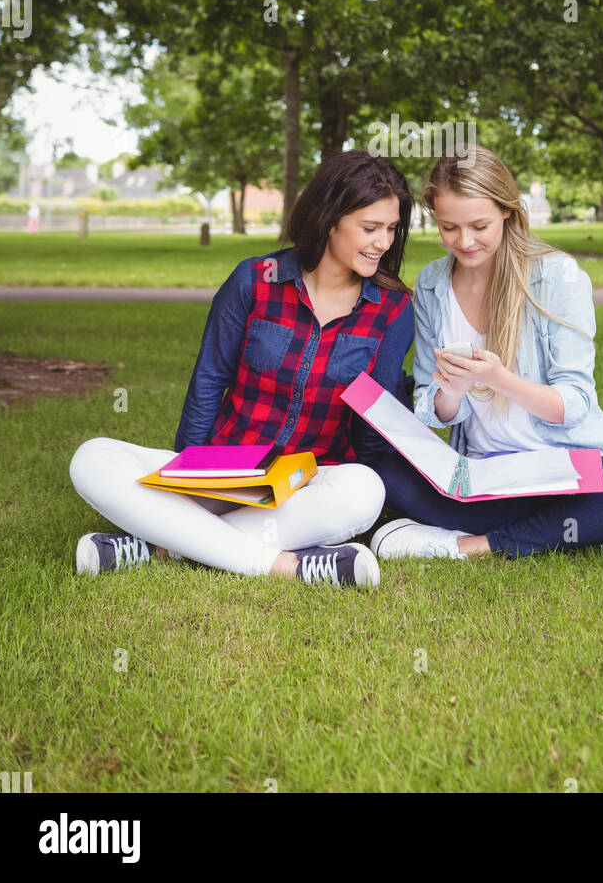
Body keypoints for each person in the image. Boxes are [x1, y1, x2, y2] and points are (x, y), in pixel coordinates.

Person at [69, 151, 415, 588]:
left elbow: (373, 419)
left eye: (391, 228)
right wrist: (188, 476)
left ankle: (159, 545)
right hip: (226, 466)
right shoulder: (254, 279)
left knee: (367, 489)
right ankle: (289, 565)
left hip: (308, 482)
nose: (383, 242)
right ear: (330, 218)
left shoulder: (393, 307)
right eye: (370, 228)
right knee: (92, 457)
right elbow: (209, 381)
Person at [354, 147, 603, 561]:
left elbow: (572, 405)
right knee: (382, 471)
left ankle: (475, 544)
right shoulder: (431, 284)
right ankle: (599, 528)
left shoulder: (556, 276)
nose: (464, 242)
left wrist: (498, 378)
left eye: (479, 225)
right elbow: (432, 411)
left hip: (560, 467)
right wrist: (454, 390)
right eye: (449, 227)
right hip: (483, 473)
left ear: (507, 211)